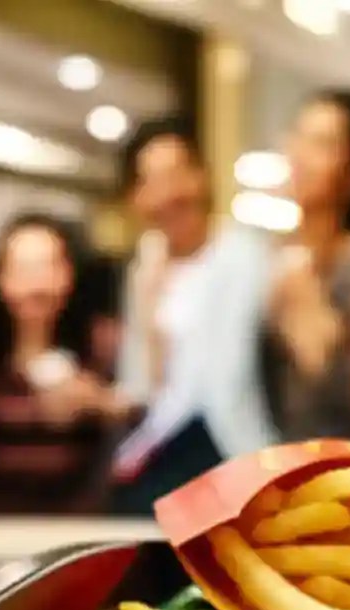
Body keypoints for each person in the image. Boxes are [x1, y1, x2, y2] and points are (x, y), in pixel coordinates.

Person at [113, 116, 277, 515]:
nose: (168, 194)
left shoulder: (247, 256)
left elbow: (229, 377)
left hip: (231, 441)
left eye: (176, 174)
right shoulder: (145, 268)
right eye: (150, 182)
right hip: (165, 442)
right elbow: (143, 386)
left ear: (201, 176)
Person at [0, 213, 126, 516]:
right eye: (24, 270)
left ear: (70, 274)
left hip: (76, 527)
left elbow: (147, 418)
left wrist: (99, 402)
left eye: (49, 266)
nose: (38, 284)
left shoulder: (103, 345)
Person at [264, 89, 350, 444]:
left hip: (349, 469)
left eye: (322, 144)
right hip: (276, 465)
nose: (298, 155)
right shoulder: (276, 253)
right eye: (298, 135)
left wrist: (306, 300)